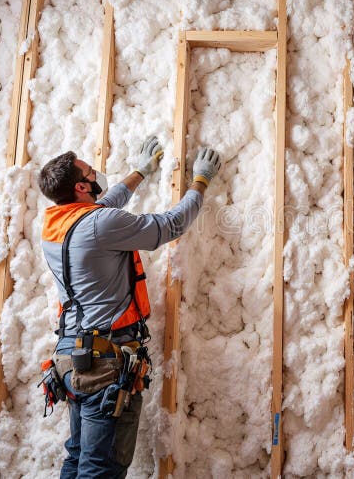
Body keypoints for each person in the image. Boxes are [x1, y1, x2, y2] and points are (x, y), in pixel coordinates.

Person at [38, 136, 221, 478]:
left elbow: (102, 208)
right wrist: (201, 181)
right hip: (103, 364)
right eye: (89, 172)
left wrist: (140, 172)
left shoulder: (55, 225)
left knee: (78, 458)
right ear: (81, 187)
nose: (96, 173)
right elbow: (170, 225)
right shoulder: (99, 225)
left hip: (70, 357)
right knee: (100, 468)